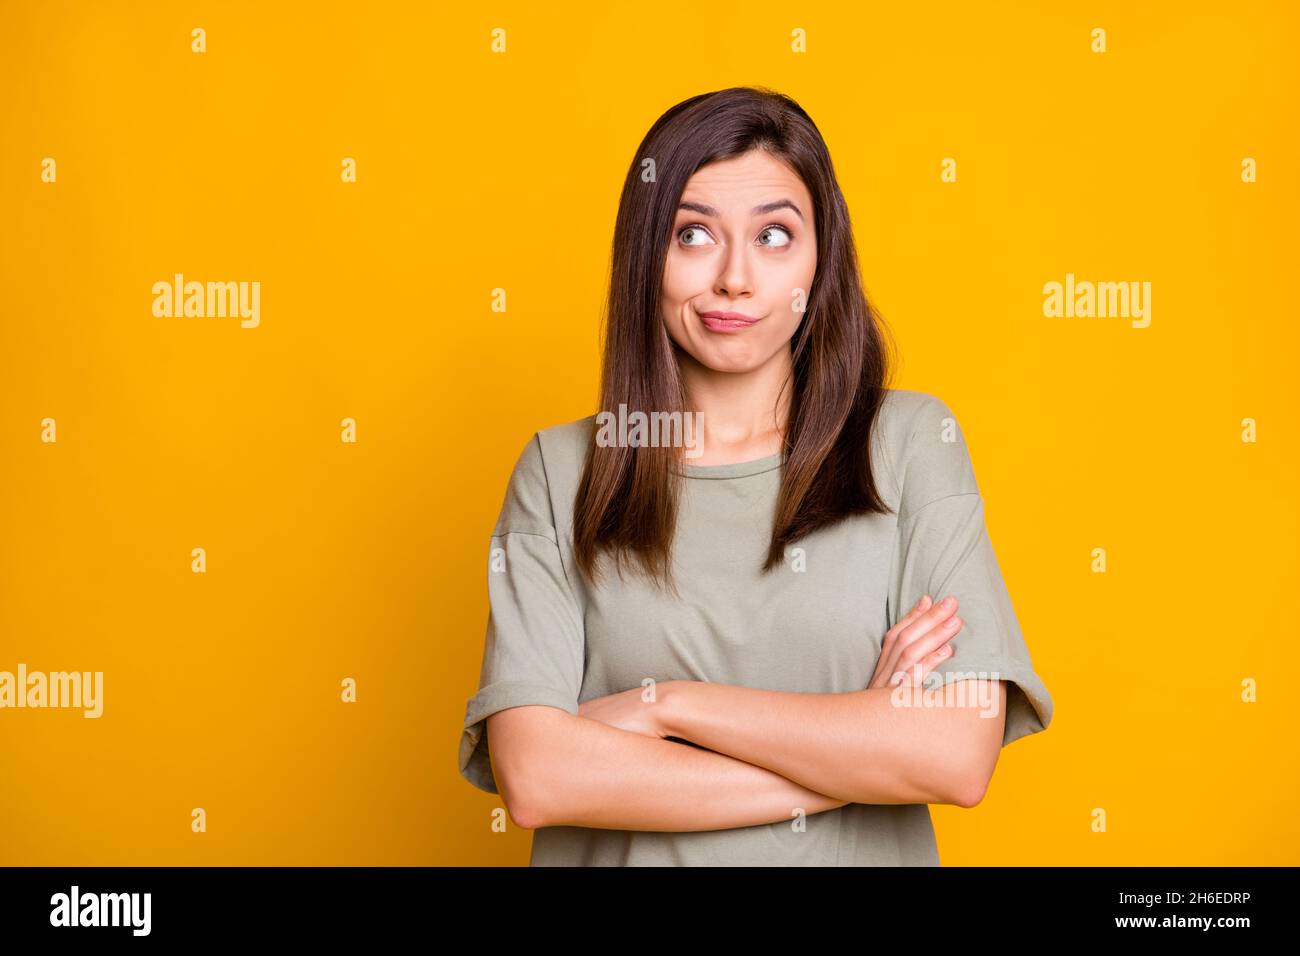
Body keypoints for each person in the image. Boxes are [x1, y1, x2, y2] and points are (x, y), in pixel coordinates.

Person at [459, 86, 1053, 865]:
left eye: (775, 235)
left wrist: (665, 706)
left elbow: (955, 756)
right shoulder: (562, 471)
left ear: (820, 258)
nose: (735, 279)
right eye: (694, 235)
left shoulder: (908, 443)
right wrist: (859, 746)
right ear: (647, 257)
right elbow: (538, 777)